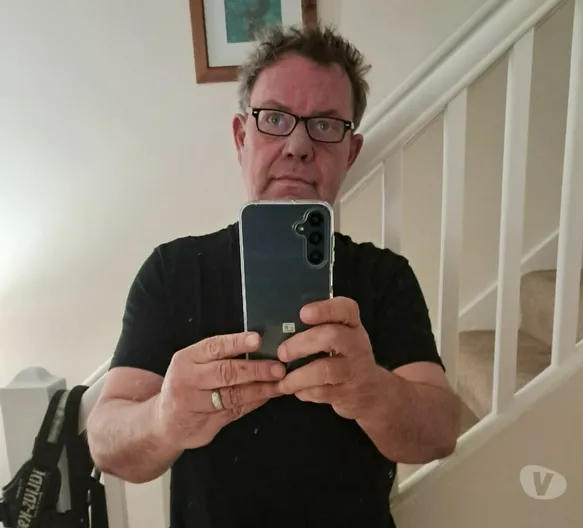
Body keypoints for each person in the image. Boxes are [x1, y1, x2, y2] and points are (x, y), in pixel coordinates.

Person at [86, 23, 461, 528]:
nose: (299, 145)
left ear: (350, 153)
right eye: (276, 119)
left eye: (325, 125)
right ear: (242, 137)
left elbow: (440, 432)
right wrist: (164, 418)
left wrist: (372, 390)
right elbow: (106, 443)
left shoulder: (384, 276)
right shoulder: (172, 272)